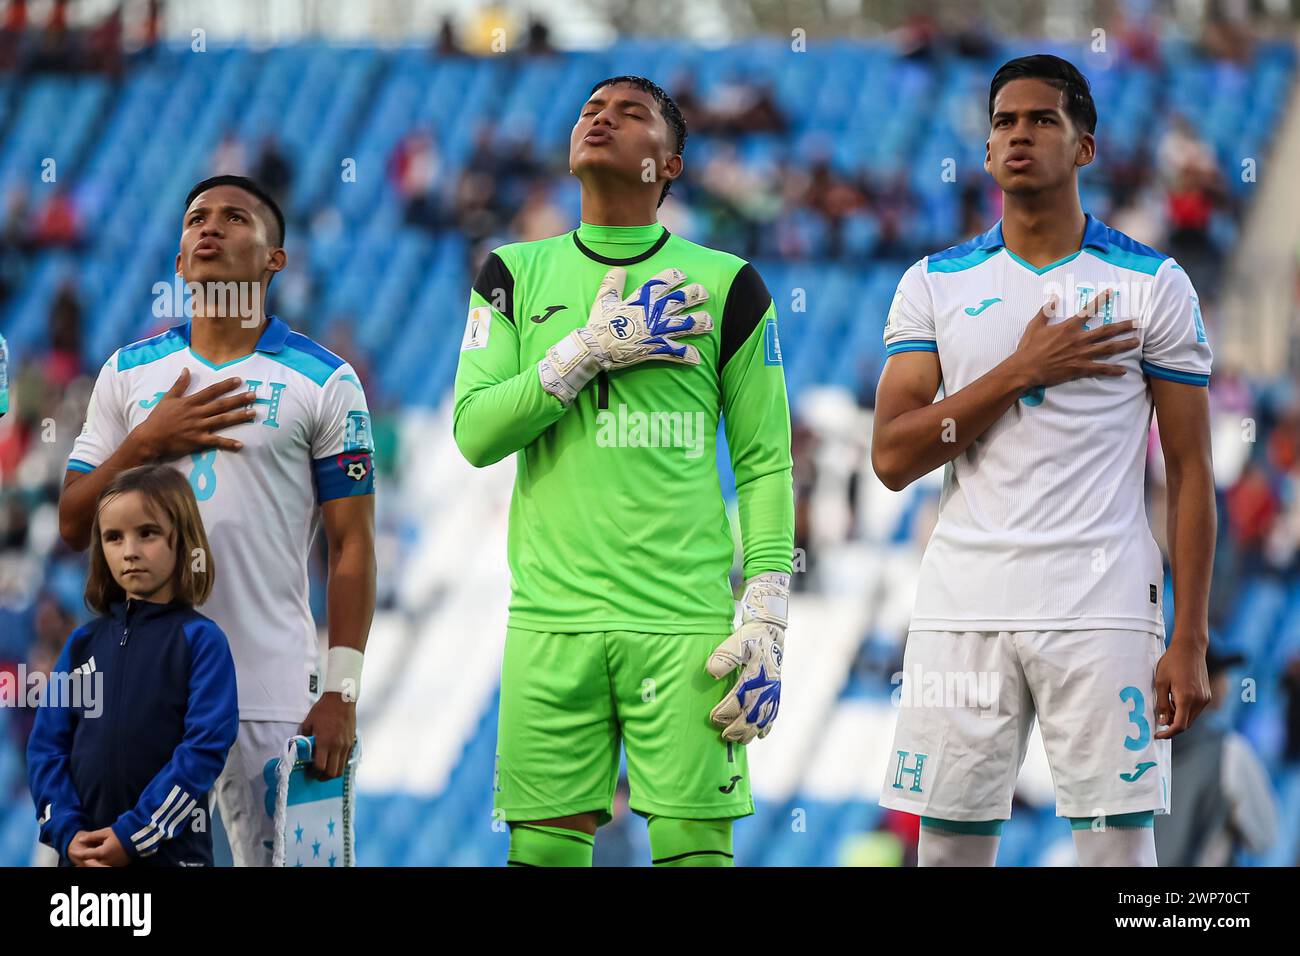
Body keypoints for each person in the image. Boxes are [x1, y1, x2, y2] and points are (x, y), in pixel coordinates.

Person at [873, 55, 1215, 866]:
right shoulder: (934, 284)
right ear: (987, 152)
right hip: (965, 603)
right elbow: (892, 457)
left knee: (1115, 852)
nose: (1018, 135)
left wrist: (1191, 637)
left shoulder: (1153, 283)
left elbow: (1194, 469)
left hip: (1104, 605)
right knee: (951, 851)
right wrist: (1019, 373)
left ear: (1084, 147)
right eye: (1003, 122)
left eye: (1041, 120)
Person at [453, 76, 794, 867]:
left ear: (669, 164)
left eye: (630, 113)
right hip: (549, 621)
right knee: (542, 853)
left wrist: (768, 608)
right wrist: (583, 353)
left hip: (684, 622)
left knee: (691, 850)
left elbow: (765, 461)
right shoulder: (509, 271)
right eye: (589, 110)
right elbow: (474, 433)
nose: (600, 118)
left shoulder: (728, 283)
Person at [56, 175, 376, 866]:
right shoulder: (129, 372)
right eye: (196, 217)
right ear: (178, 262)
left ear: (274, 258)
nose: (210, 227)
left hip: (269, 691)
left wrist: (342, 691)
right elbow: (73, 522)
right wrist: (145, 445)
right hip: (141, 691)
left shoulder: (324, 381)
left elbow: (352, 546)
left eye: (236, 218)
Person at [29, 465, 238, 866]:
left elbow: (204, 749)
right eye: (113, 537)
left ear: (182, 539)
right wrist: (68, 831)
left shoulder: (202, 642)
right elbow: (46, 749)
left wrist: (133, 835)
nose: (129, 551)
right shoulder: (81, 645)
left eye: (147, 533)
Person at [1154, 646, 1278, 865]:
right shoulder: (1230, 751)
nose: (1227, 688)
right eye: (1219, 677)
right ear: (1203, 685)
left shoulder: (1140, 745)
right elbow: (1264, 837)